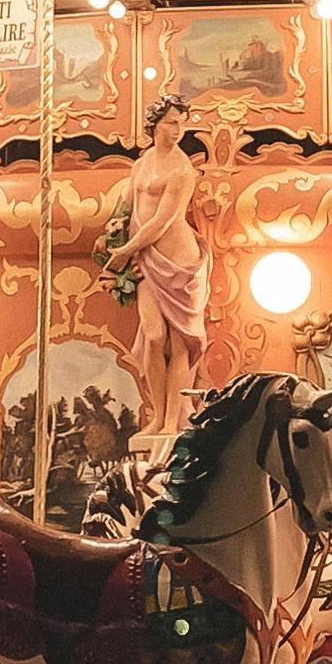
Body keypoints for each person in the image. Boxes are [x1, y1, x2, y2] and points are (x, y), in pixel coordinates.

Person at [117, 97, 210, 442]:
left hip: (179, 261)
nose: (177, 129)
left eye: (182, 123)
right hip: (147, 257)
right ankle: (157, 415)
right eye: (171, 122)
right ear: (155, 125)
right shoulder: (142, 164)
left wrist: (127, 249)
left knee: (180, 342)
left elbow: (163, 219)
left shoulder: (182, 169)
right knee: (154, 336)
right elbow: (129, 205)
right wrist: (114, 232)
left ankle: (172, 420)